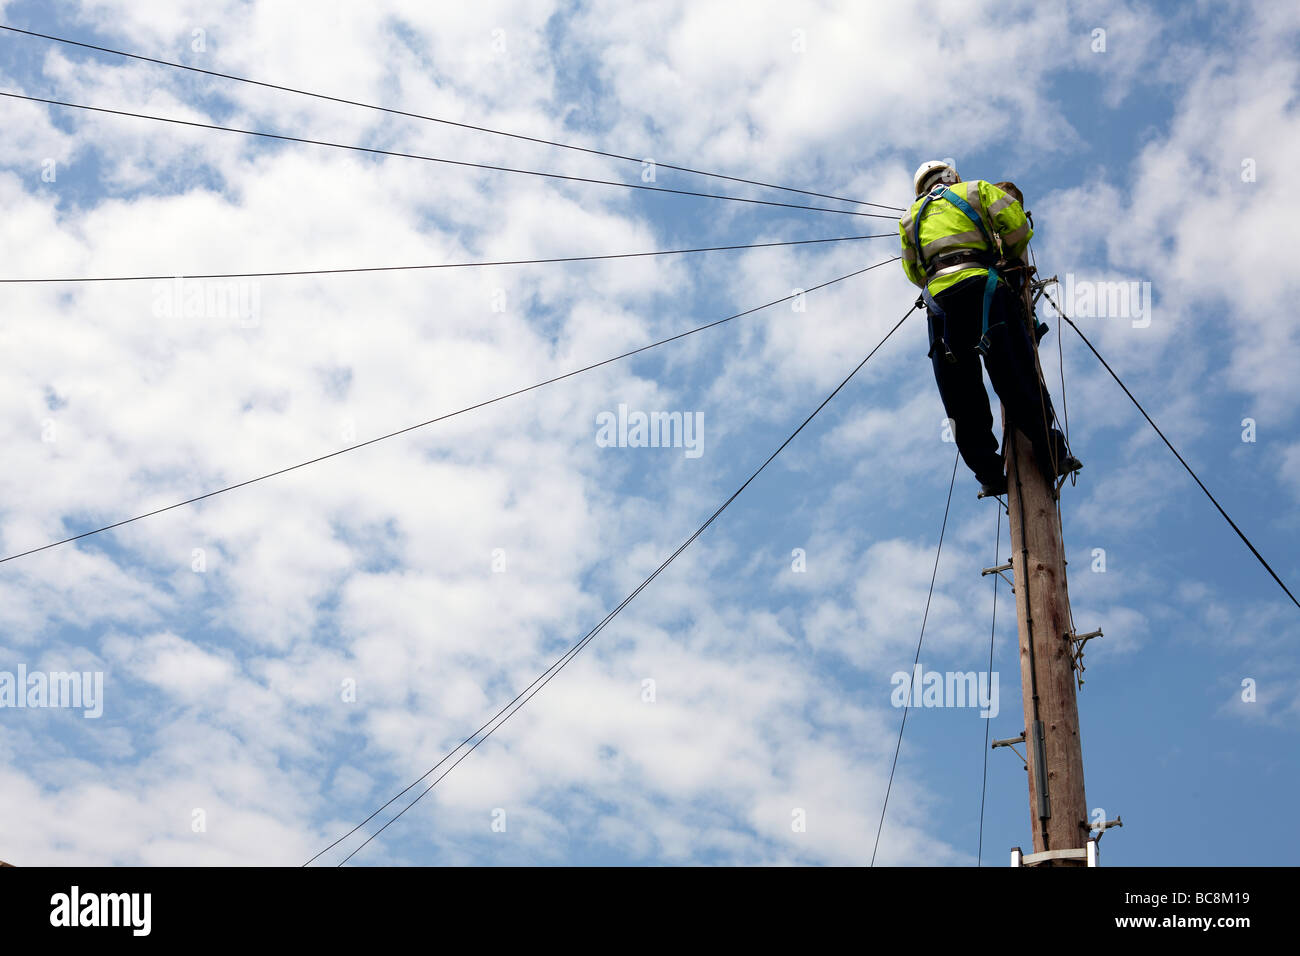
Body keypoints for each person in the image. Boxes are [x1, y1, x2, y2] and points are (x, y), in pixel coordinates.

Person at [899, 160, 1080, 497]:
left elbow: (913, 273)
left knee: (960, 397)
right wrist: (1007, 258)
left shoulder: (909, 218)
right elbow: (1016, 228)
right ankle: (1051, 454)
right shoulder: (977, 189)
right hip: (985, 290)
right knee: (1016, 374)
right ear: (952, 176)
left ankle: (989, 473)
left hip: (940, 306)